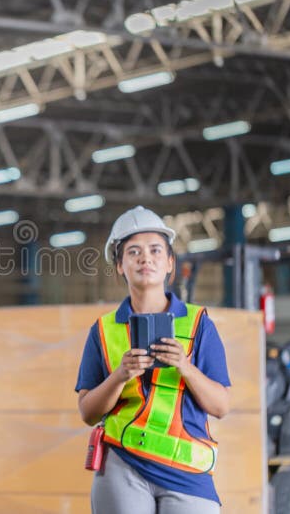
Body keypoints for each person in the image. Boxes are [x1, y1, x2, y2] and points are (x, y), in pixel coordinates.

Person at [75, 205, 231, 514]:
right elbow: (87, 412)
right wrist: (120, 375)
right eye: (133, 252)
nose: (145, 258)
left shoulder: (199, 324)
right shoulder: (103, 331)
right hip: (123, 463)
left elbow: (221, 406)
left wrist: (185, 366)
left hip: (186, 471)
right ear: (119, 265)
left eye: (155, 250)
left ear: (170, 262)